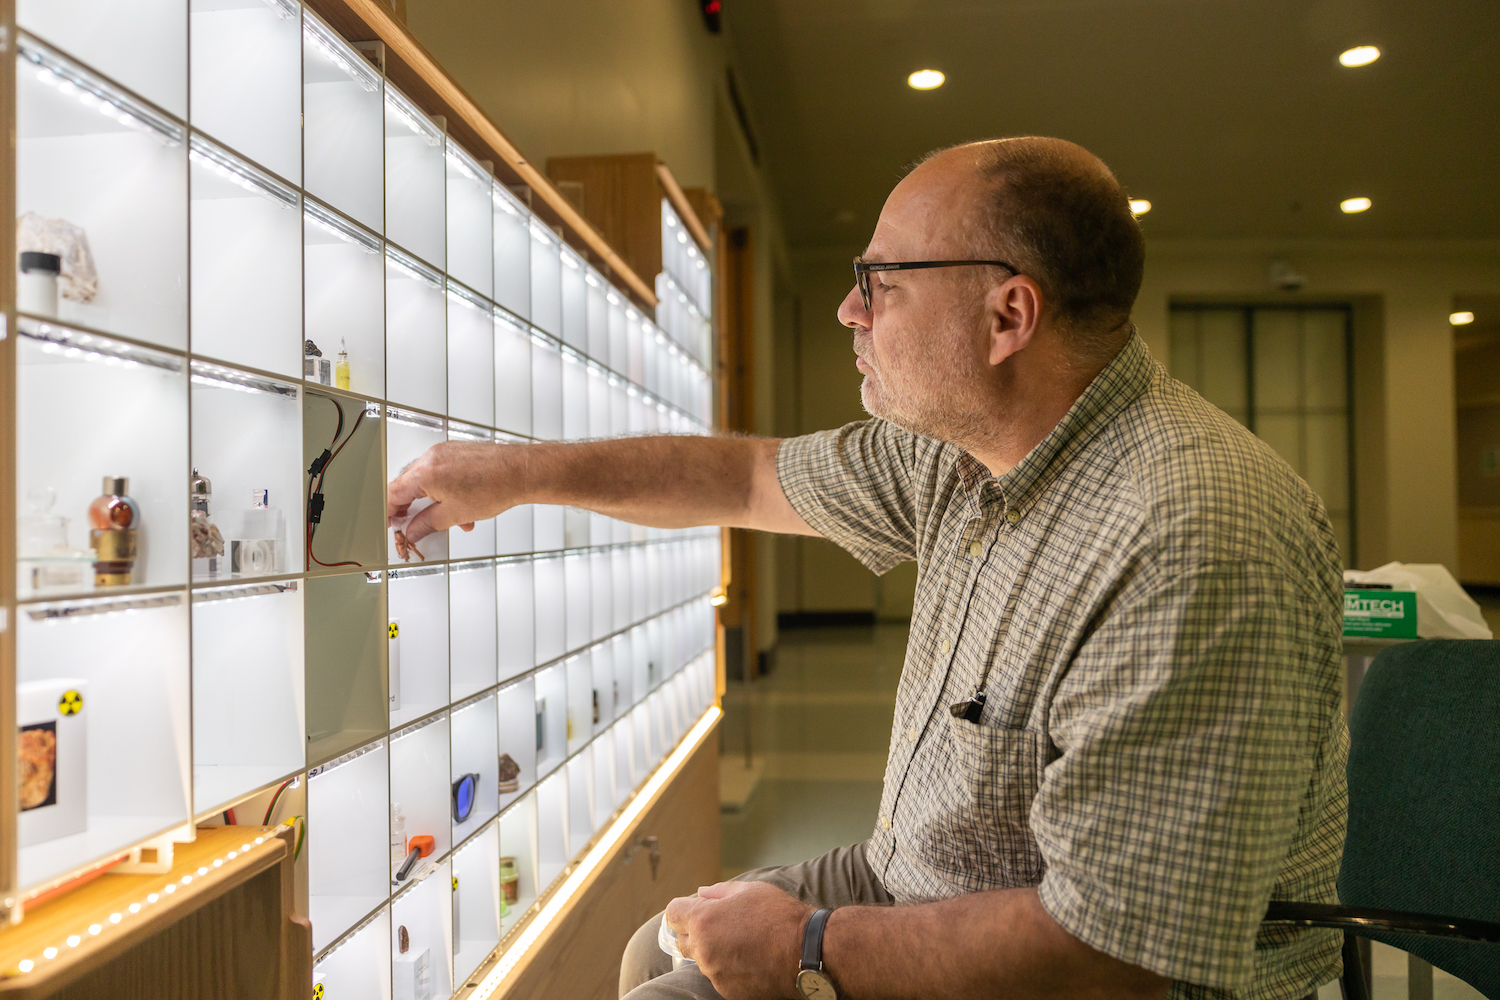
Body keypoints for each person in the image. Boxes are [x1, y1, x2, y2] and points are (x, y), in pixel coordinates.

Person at [387, 136, 1347, 1000]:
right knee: (658, 945)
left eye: (882, 280)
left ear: (1008, 314)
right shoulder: (964, 453)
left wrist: (807, 946)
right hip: (927, 877)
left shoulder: (1189, 538)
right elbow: (748, 479)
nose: (851, 308)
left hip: (1090, 968)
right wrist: (513, 474)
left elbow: (1115, 955)